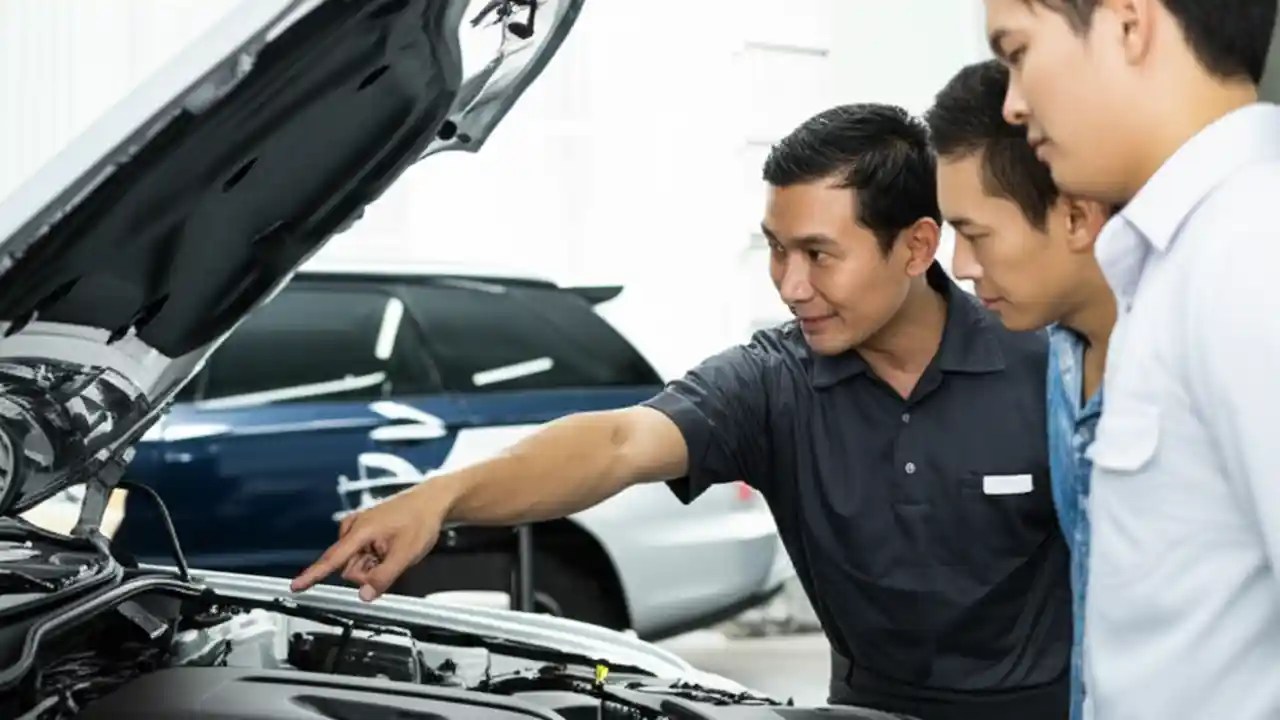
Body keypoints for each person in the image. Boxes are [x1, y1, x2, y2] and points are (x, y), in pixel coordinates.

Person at [291, 103, 1073, 720]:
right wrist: (444, 496)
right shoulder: (775, 382)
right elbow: (620, 442)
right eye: (775, 248)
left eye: (819, 254)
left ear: (914, 246)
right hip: (864, 713)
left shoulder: (1048, 364)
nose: (789, 284)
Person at [981, 0, 1280, 717]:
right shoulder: (1185, 256)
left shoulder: (1249, 254)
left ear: (1127, 22)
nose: (1014, 105)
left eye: (1017, 53)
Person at [923, 58, 1116, 720]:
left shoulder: (1206, 345)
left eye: (975, 234)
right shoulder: (1062, 359)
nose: (960, 267)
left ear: (1074, 215)